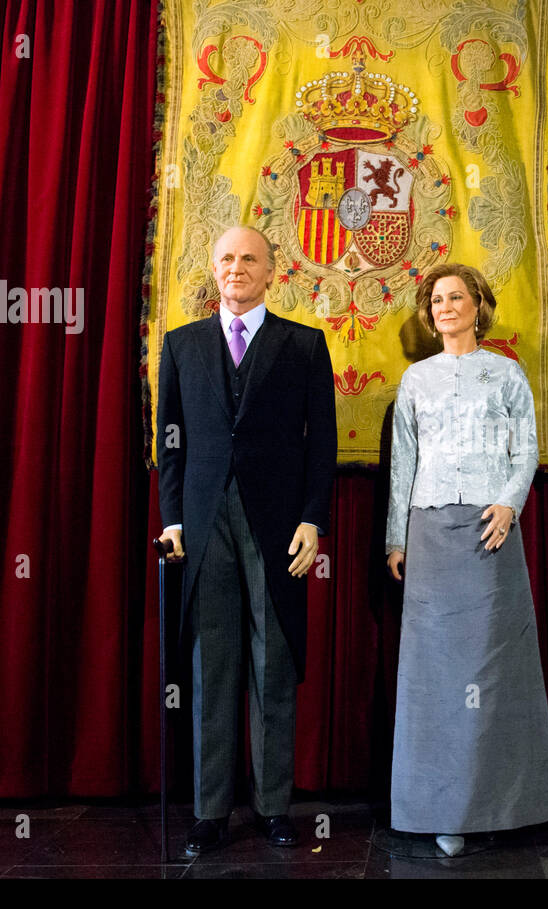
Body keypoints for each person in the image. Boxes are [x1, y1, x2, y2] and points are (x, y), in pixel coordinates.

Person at [156, 225, 336, 854]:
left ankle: (273, 807)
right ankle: (209, 814)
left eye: (248, 259)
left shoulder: (306, 346)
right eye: (227, 258)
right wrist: (173, 519)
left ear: (271, 271)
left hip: (280, 526)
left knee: (273, 664)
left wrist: (314, 519)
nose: (236, 268)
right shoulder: (179, 346)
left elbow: (322, 449)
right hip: (204, 526)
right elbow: (169, 447)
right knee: (213, 667)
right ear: (215, 267)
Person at [385, 263, 548, 857]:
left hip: (490, 534)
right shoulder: (416, 381)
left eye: (456, 297)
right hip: (431, 532)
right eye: (436, 299)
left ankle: (503, 807)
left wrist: (510, 504)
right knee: (436, 678)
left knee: (493, 672)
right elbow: (403, 465)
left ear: (478, 306)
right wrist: (397, 538)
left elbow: (527, 451)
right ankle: (442, 812)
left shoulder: (506, 374)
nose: (445, 306)